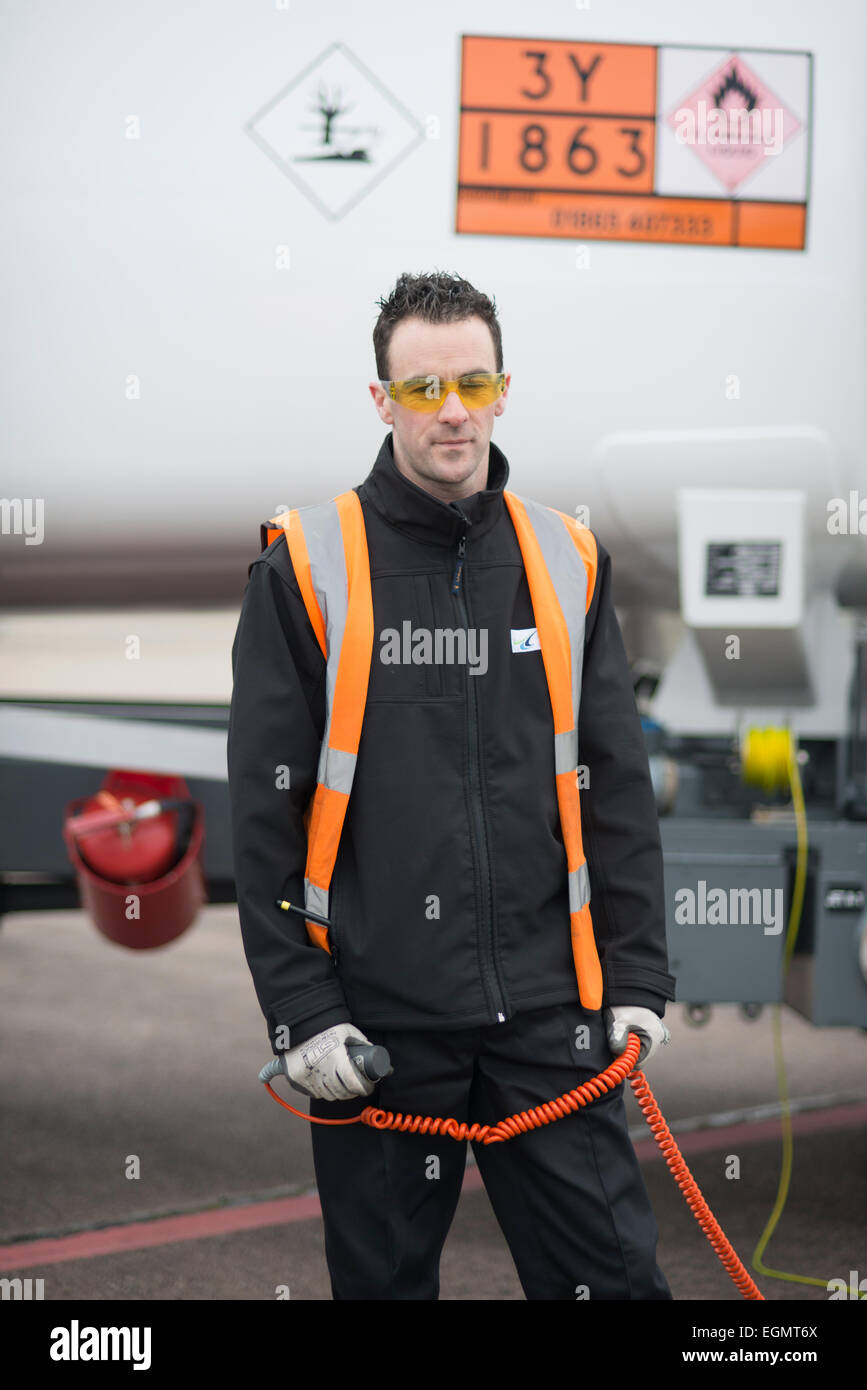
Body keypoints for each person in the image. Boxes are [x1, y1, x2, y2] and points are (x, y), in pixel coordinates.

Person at [227, 270, 676, 1301]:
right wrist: (302, 1009)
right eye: (424, 390)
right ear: (380, 401)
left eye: (474, 381)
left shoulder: (566, 558)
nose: (454, 410)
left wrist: (640, 977)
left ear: (504, 387)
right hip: (378, 1026)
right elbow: (264, 813)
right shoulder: (306, 565)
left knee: (615, 1283)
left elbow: (615, 788)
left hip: (551, 1016)